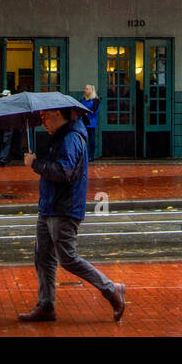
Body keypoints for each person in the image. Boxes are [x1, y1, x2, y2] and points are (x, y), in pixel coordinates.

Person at [18, 105, 125, 324]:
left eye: (45, 116)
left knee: (67, 257)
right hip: (49, 206)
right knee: (43, 256)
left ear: (58, 114)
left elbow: (63, 172)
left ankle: (111, 288)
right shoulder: (60, 136)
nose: (43, 121)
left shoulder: (71, 138)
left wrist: (35, 164)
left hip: (64, 208)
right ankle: (46, 305)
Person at [81, 83, 100, 162]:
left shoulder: (95, 100)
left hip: (91, 122)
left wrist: (86, 112)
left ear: (91, 90)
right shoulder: (83, 99)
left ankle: (91, 156)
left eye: (87, 89)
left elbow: (94, 111)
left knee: (91, 139)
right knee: (83, 139)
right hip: (83, 121)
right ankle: (83, 156)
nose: (85, 90)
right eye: (85, 88)